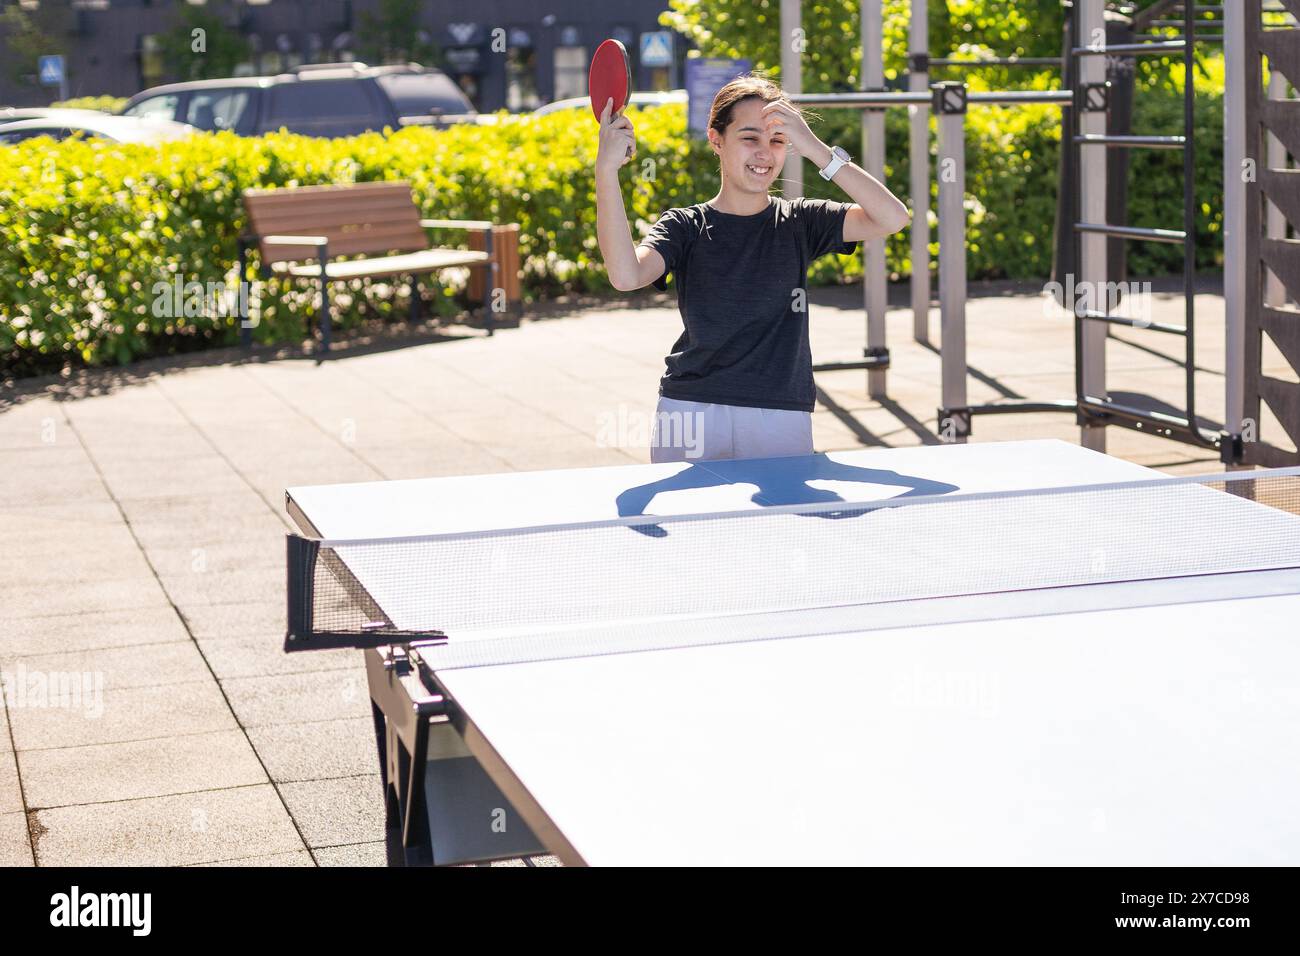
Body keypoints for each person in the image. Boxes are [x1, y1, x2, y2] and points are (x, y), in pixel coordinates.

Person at [595, 74, 910, 463]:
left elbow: (893, 217)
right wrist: (606, 172)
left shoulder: (802, 221)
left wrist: (814, 148)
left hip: (780, 412)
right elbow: (626, 276)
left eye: (777, 140)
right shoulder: (685, 226)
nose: (765, 153)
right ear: (716, 139)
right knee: (691, 528)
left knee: (779, 525)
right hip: (689, 409)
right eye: (749, 138)